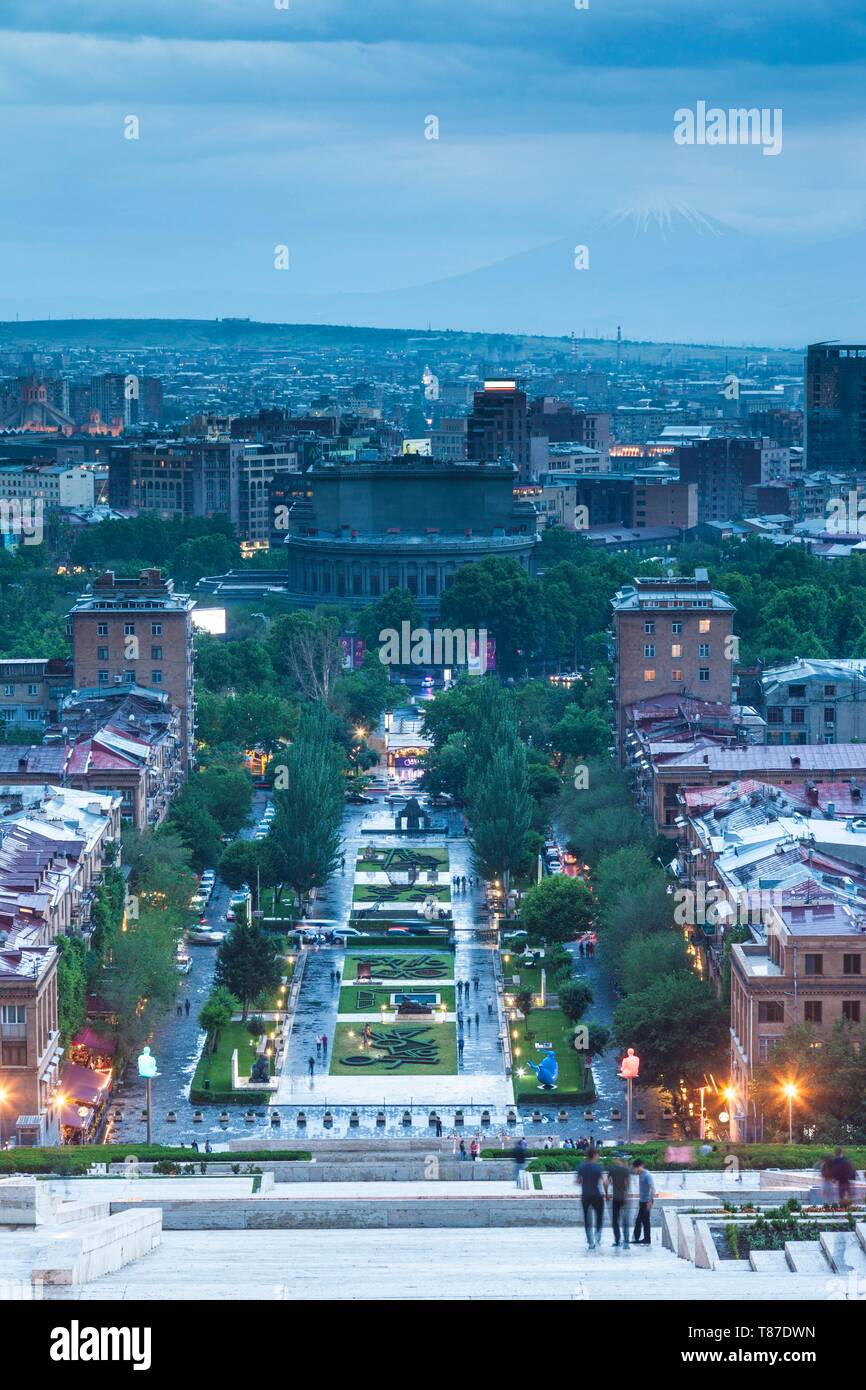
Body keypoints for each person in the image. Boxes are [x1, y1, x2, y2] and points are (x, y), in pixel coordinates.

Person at [576, 1147, 605, 1250]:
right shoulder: (598, 1167)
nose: (598, 1157)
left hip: (585, 1196)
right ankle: (597, 1238)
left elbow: (578, 1181)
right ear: (594, 1155)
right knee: (599, 1216)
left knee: (587, 1219)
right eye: (597, 1155)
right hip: (596, 1195)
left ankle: (590, 1242)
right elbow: (604, 1182)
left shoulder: (581, 1167)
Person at [605, 1156, 631, 1248]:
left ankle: (617, 1241)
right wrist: (626, 1193)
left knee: (615, 1220)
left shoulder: (612, 1169)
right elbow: (627, 1183)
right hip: (623, 1198)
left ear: (617, 1160)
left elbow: (606, 1182)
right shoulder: (626, 1170)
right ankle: (626, 1241)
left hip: (616, 1198)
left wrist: (607, 1194)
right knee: (625, 1219)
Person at [632, 1159, 655, 1244]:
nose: (634, 1171)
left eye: (635, 1169)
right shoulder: (640, 1174)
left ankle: (637, 1239)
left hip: (647, 1201)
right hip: (642, 1201)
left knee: (640, 1220)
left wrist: (650, 1201)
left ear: (639, 1167)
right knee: (645, 1221)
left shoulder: (647, 1175)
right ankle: (647, 1239)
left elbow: (652, 1188)